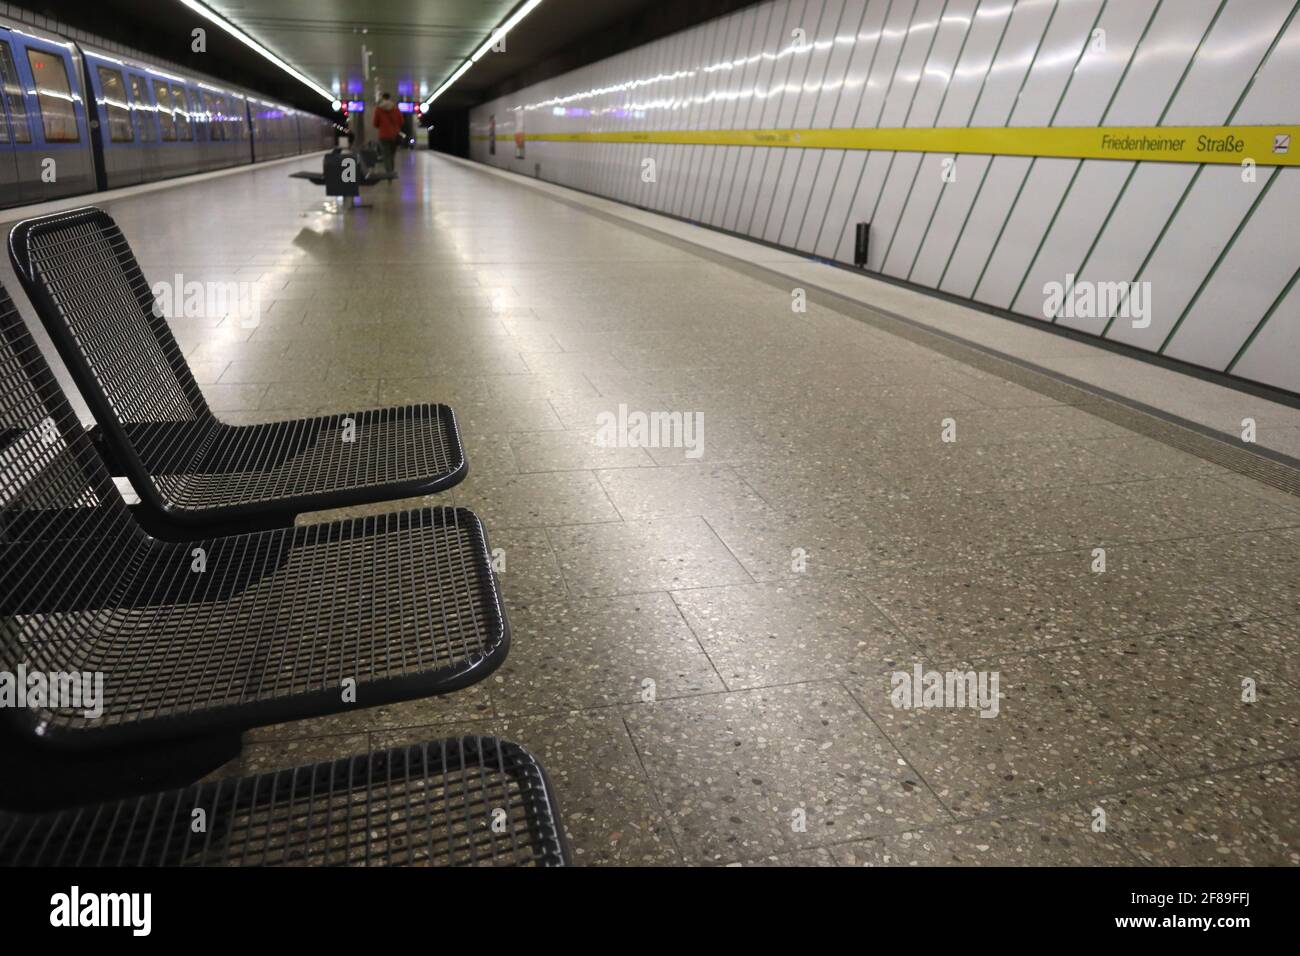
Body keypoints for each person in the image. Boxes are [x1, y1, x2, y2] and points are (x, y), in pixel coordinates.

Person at [372, 93, 403, 177]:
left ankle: (389, 173)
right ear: (390, 98)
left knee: (386, 155)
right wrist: (395, 127)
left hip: (383, 136)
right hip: (394, 135)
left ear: (382, 98)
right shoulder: (396, 109)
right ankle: (391, 170)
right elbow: (401, 121)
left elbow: (375, 123)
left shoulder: (378, 109)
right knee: (392, 155)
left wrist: (382, 125)